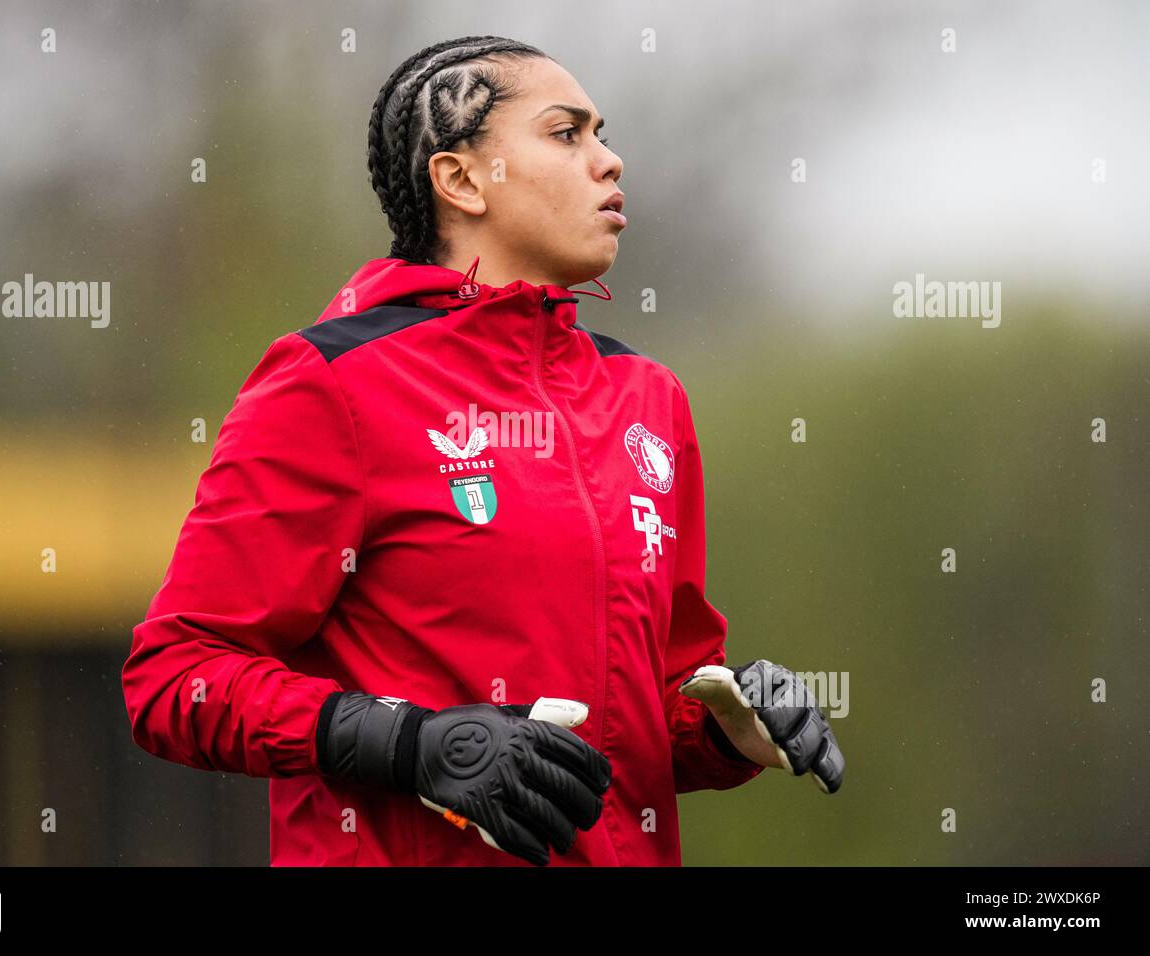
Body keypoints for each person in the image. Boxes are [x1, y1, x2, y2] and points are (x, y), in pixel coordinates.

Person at [122, 35, 844, 867]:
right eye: (565, 133)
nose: (610, 162)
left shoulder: (650, 400)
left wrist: (729, 727)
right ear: (461, 179)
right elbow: (176, 678)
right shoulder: (330, 382)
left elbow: (642, 727)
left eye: (602, 134)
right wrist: (415, 743)